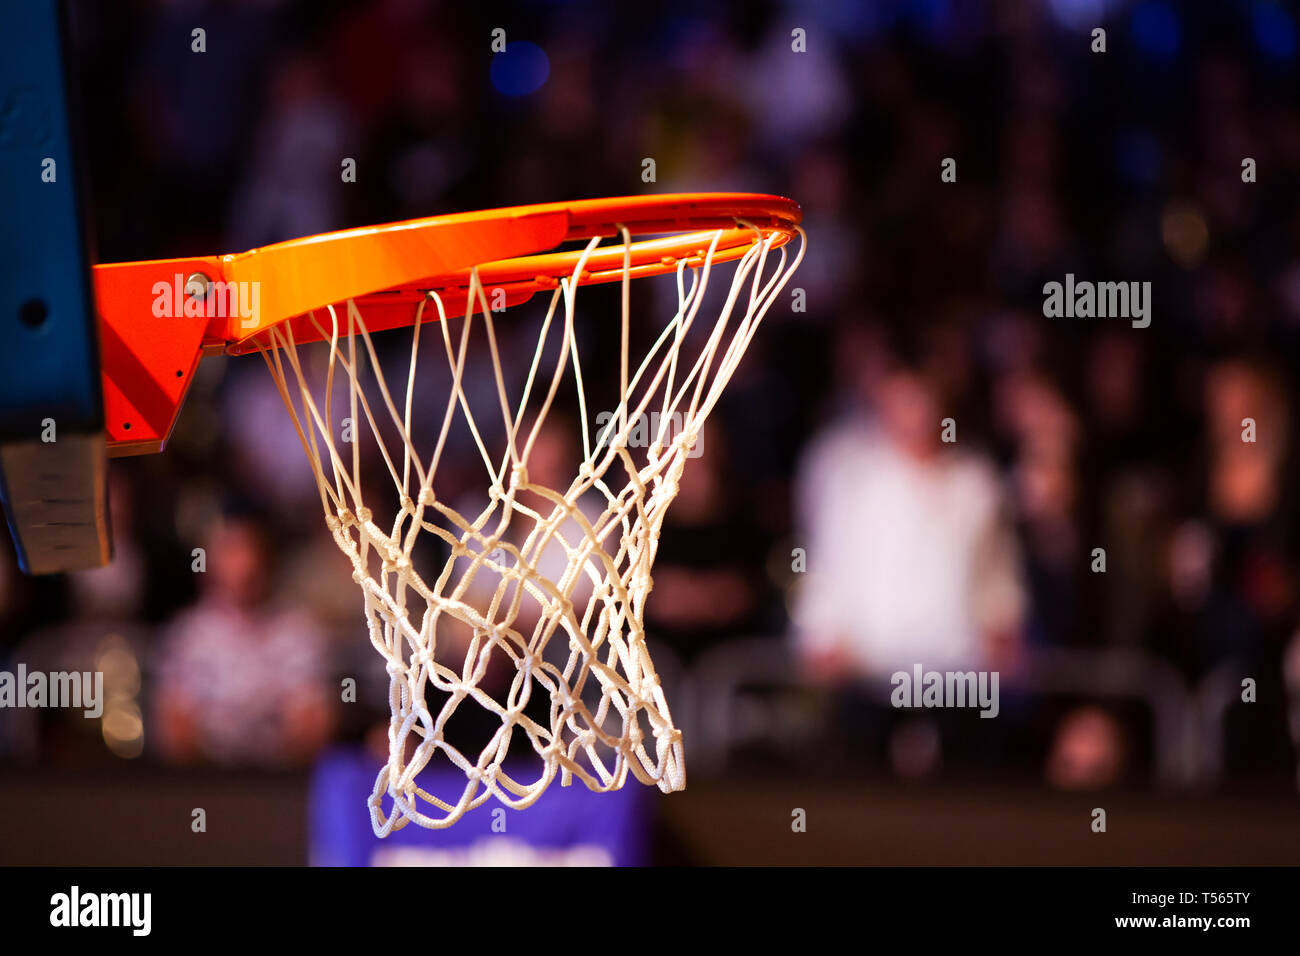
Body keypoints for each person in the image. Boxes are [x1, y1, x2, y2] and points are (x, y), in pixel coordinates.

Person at [152, 509, 335, 767]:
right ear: (210, 566)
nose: (243, 565)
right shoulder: (188, 634)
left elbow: (311, 725)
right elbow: (173, 727)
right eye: (230, 552)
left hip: (279, 778)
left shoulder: (297, 630)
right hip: (203, 780)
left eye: (248, 551)